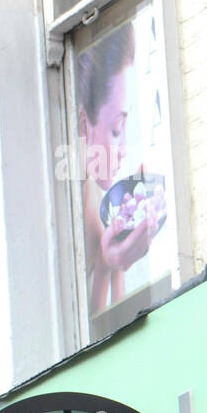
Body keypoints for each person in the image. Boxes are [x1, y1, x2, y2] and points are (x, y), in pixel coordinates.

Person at [75, 21, 157, 315]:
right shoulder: (77, 205)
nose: (123, 148)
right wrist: (108, 265)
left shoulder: (94, 202)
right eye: (116, 129)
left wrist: (113, 264)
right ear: (85, 123)